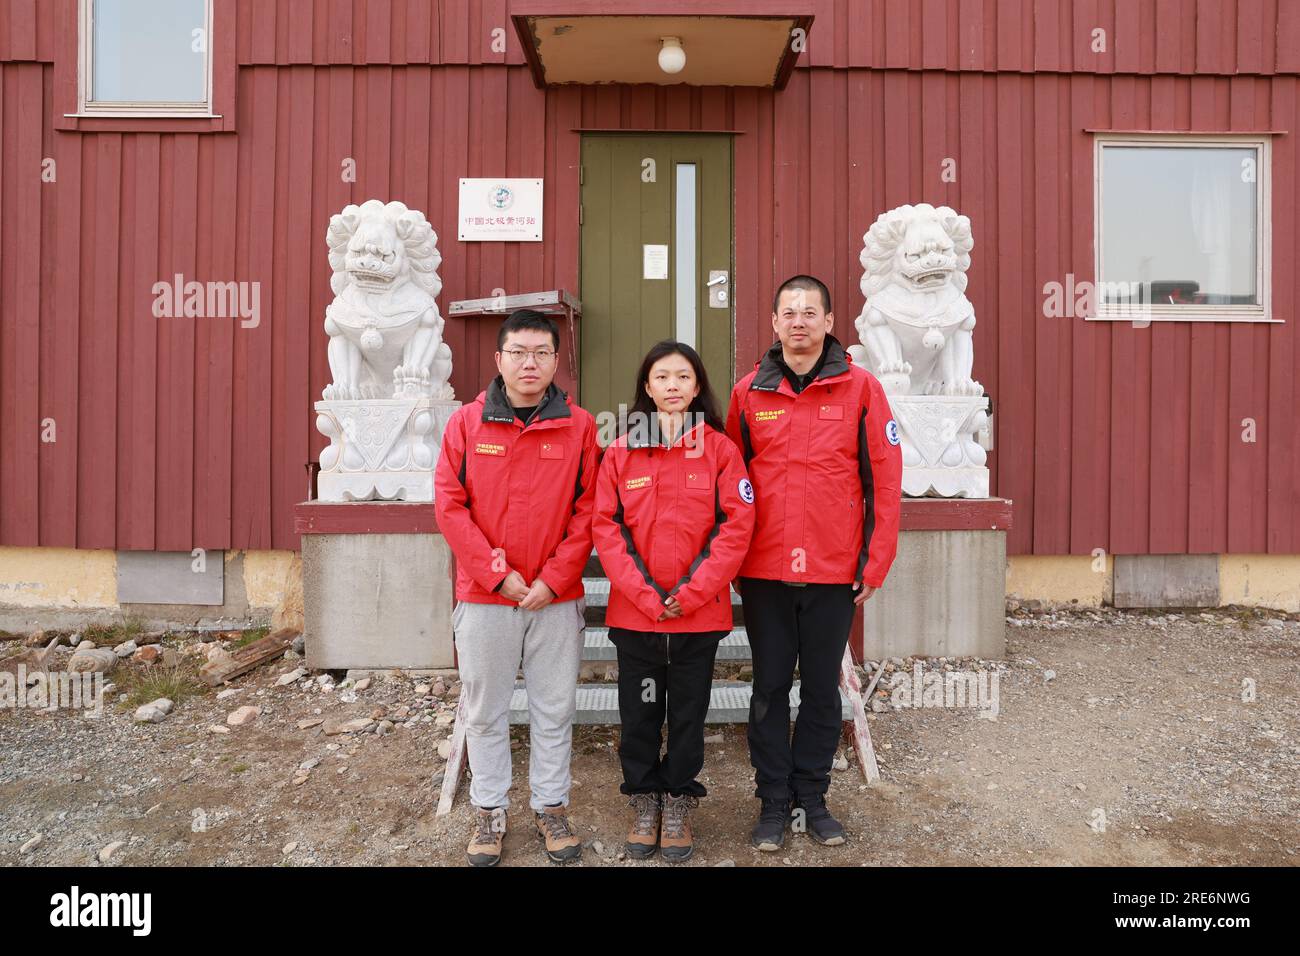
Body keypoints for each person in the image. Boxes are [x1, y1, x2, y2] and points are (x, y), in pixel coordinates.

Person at [725, 275, 902, 851]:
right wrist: (731, 560)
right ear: (774, 323)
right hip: (765, 571)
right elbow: (731, 485)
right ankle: (774, 801)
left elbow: (884, 481)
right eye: (789, 313)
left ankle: (813, 798)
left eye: (809, 312)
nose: (798, 321)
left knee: (822, 691)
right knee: (770, 688)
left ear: (829, 322)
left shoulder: (862, 389)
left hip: (833, 571)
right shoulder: (748, 393)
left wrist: (874, 561)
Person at [433, 309, 601, 867]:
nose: (530, 363)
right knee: (485, 711)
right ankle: (489, 810)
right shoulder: (466, 424)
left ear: (556, 361)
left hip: (555, 598)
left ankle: (551, 807)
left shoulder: (579, 426)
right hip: (486, 597)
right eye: (519, 352)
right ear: (499, 359)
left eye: (542, 353)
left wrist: (554, 578)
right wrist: (495, 573)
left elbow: (590, 509)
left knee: (554, 709)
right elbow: (450, 506)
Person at [592, 341, 755, 862]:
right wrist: (645, 596)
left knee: (687, 715)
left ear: (697, 385)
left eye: (683, 376)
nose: (672, 386)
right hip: (636, 618)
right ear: (647, 386)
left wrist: (692, 593)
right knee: (640, 715)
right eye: (662, 376)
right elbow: (606, 528)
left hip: (697, 619)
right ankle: (645, 799)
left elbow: (736, 525)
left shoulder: (719, 450)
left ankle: (680, 799)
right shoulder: (621, 452)